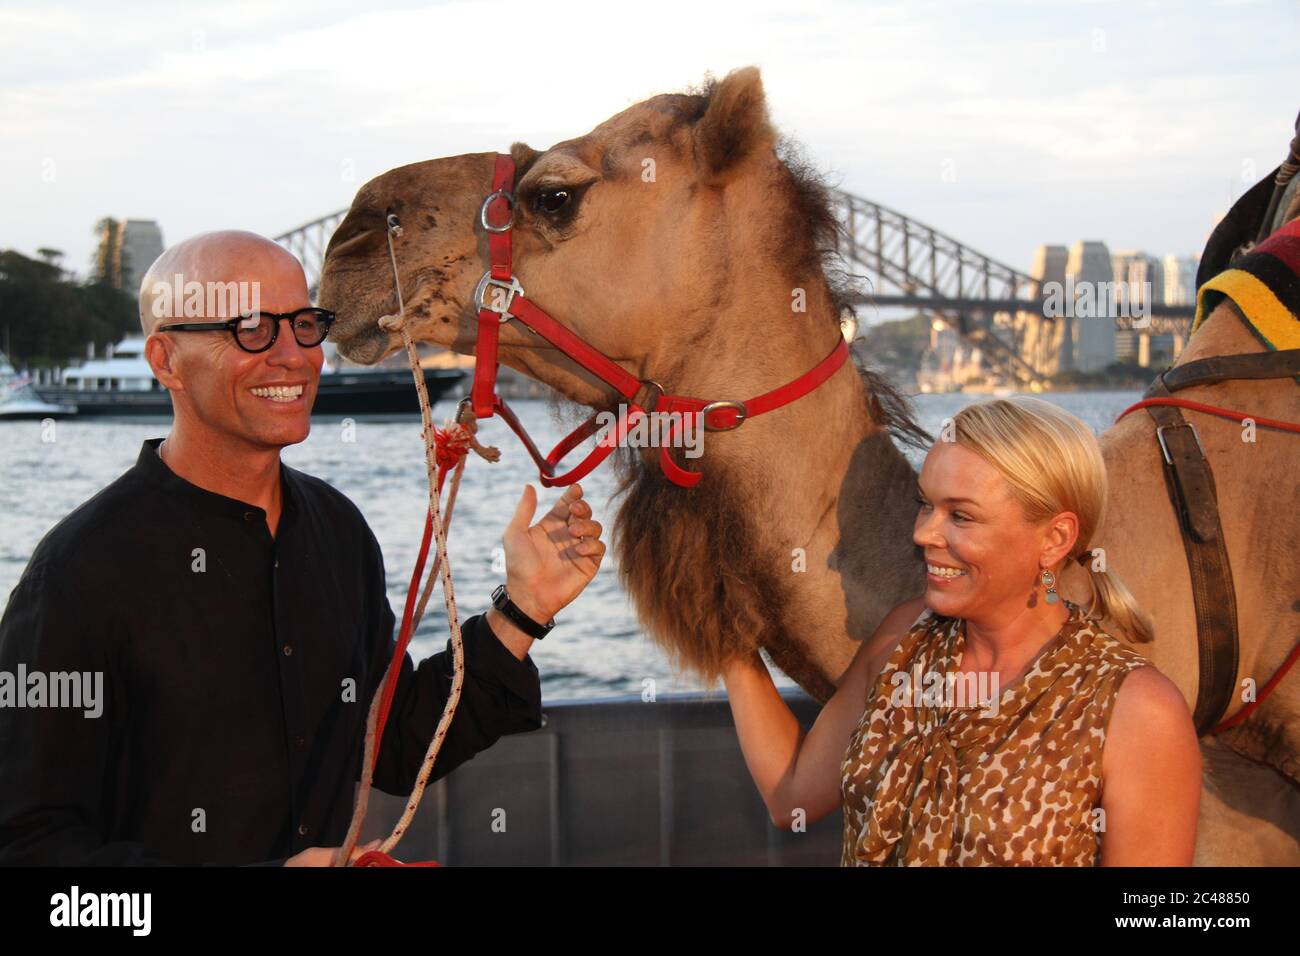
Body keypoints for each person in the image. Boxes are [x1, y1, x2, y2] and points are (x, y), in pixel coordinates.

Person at [0, 231, 607, 866]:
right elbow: (32, 850)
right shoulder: (78, 575)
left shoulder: (336, 530)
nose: (295, 356)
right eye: (253, 329)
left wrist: (521, 611)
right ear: (166, 359)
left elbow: (393, 740)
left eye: (305, 324)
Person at [722, 397, 1201, 865]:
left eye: (961, 516)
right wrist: (721, 635)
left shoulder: (1135, 709)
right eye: (925, 505)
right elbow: (792, 798)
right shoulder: (902, 641)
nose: (924, 534)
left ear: (1054, 539)